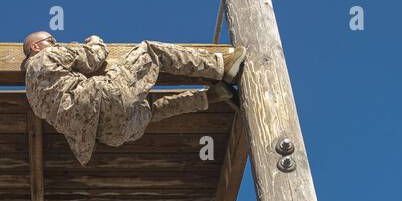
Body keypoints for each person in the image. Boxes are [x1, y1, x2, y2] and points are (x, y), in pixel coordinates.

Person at [22, 32, 245, 165]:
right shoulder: (47, 55)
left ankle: (213, 96)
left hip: (111, 135)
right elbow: (94, 59)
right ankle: (221, 67)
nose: (55, 42)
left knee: (151, 110)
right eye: (51, 39)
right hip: (106, 99)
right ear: (36, 47)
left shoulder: (32, 97)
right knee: (150, 51)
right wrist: (95, 40)